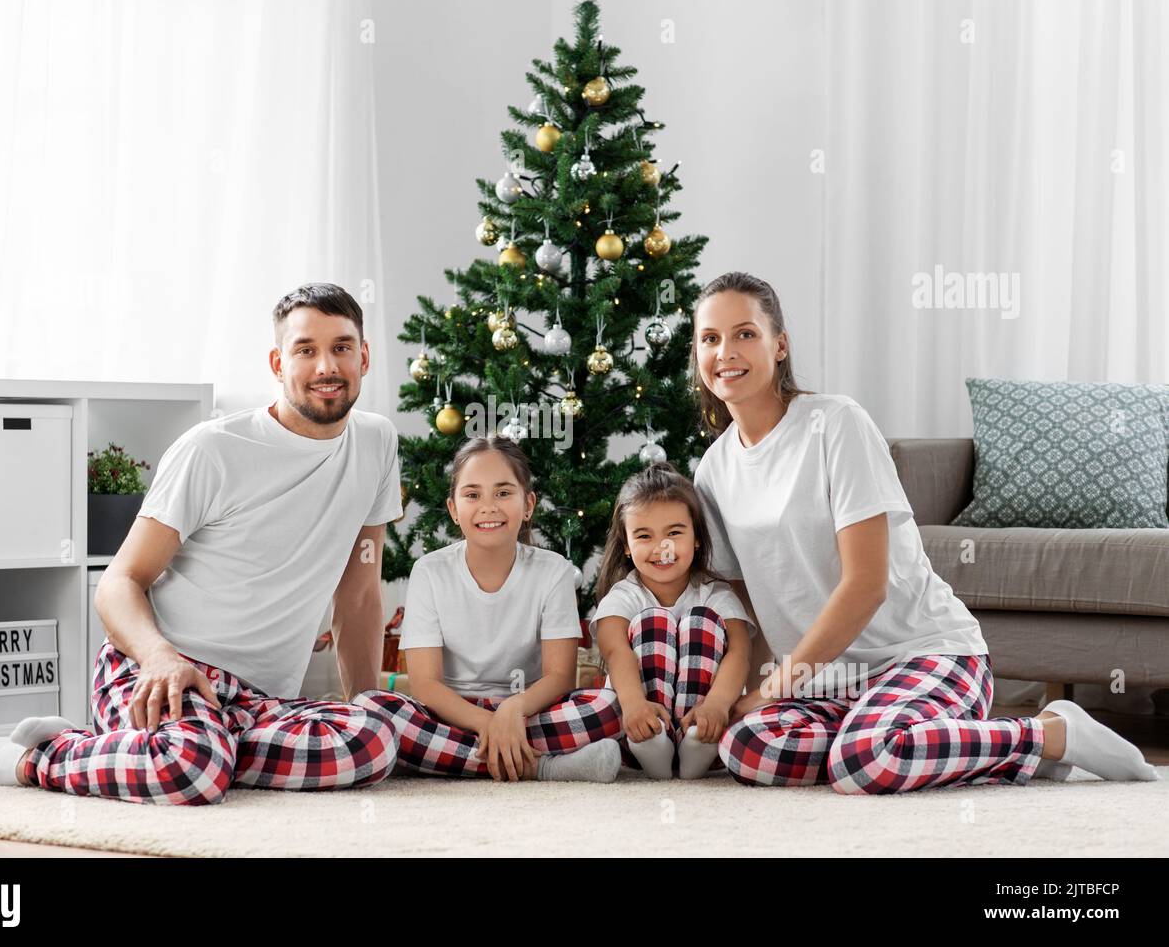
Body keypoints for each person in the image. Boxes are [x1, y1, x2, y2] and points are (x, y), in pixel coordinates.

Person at [0, 283, 405, 803]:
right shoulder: (213, 450)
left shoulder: (377, 442)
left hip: (260, 699)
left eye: (341, 347)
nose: (326, 367)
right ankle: (32, 756)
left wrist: (364, 706)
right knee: (190, 773)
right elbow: (118, 582)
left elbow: (359, 594)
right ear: (277, 363)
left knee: (378, 740)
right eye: (305, 350)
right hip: (157, 668)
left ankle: (201, 746)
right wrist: (159, 657)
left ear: (363, 356)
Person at [689, 271, 1159, 792]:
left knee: (865, 761)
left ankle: (1047, 734)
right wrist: (738, 701)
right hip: (830, 684)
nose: (725, 351)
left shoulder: (835, 424)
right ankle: (931, 747)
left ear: (779, 346)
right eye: (710, 338)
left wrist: (775, 688)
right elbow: (746, 608)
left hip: (926, 654)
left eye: (745, 333)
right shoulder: (713, 471)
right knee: (748, 748)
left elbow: (866, 586)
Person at [353, 436, 622, 783]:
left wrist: (511, 710)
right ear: (453, 509)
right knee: (370, 707)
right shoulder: (430, 572)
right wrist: (488, 724)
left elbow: (560, 677)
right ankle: (539, 766)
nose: (488, 506)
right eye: (473, 494)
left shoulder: (554, 571)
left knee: (609, 707)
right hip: (452, 714)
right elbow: (425, 685)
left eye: (503, 493)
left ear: (528, 505)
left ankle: (450, 757)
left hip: (528, 713)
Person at [590, 462, 753, 779]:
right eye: (643, 536)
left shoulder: (714, 594)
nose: (661, 547)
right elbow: (615, 652)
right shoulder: (624, 596)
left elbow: (740, 652)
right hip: (636, 725)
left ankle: (697, 743)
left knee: (700, 620)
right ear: (626, 544)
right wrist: (635, 706)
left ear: (696, 538)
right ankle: (654, 740)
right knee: (654, 622)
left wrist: (717, 706)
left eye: (674, 533)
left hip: (709, 723)